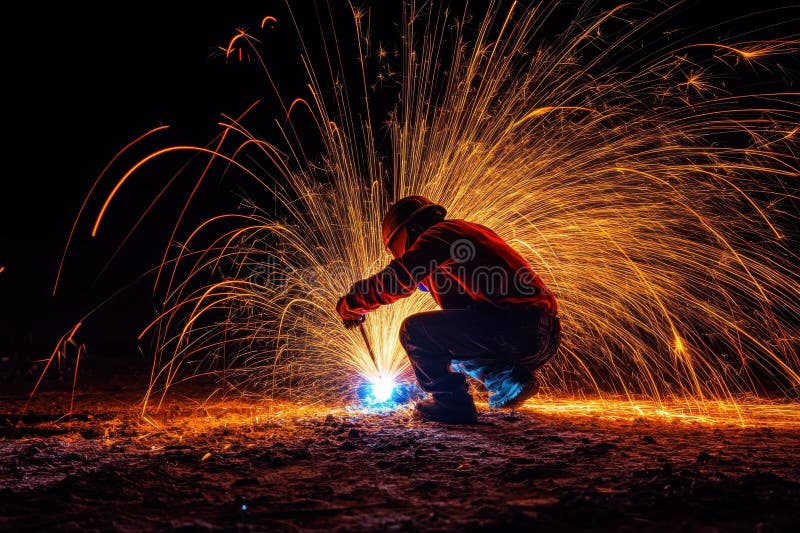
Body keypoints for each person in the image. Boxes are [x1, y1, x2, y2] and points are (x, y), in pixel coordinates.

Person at [336, 196, 560, 424]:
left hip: (513, 328)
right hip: (543, 335)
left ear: (413, 229)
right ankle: (506, 379)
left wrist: (352, 303)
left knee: (414, 332)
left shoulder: (440, 234)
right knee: (444, 344)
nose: (403, 256)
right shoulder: (464, 232)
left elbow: (399, 277)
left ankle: (451, 404)